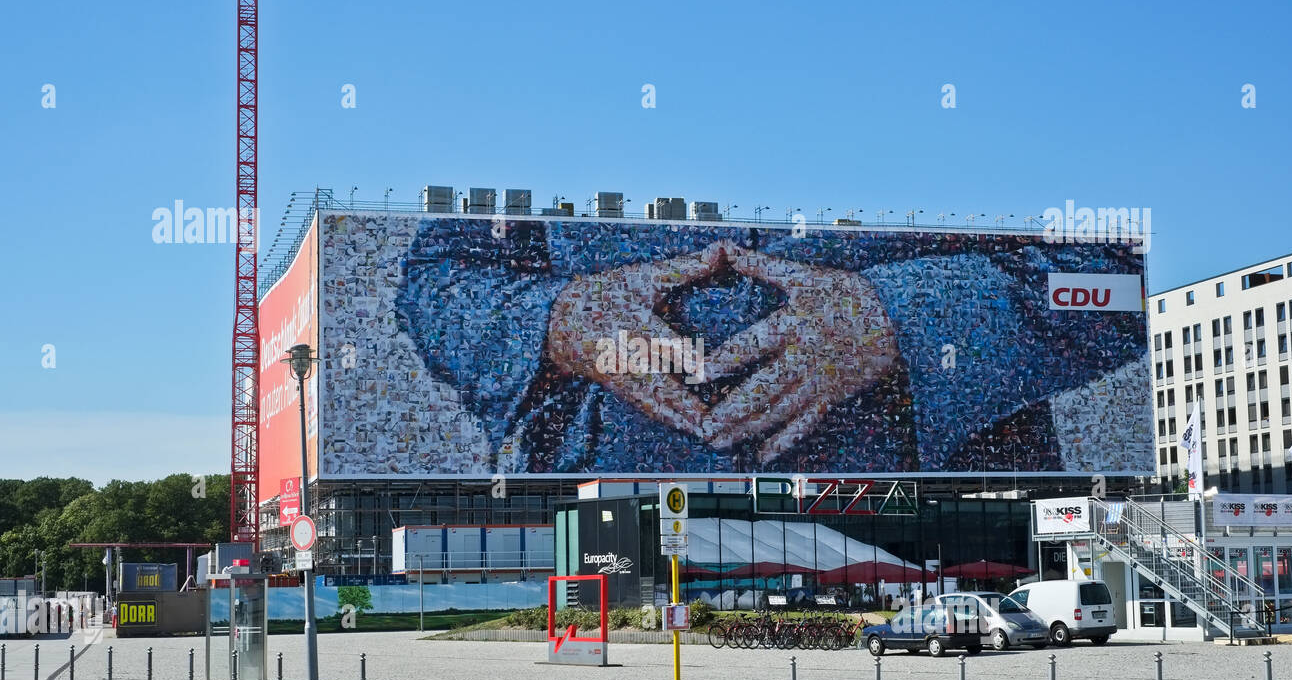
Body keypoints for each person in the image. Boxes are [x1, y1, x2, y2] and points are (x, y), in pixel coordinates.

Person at [370, 216, 1149, 474]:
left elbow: (1117, 276)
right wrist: (560, 319)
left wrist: (899, 316)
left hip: (949, 514)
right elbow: (439, 280)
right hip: (607, 513)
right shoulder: (539, 37)